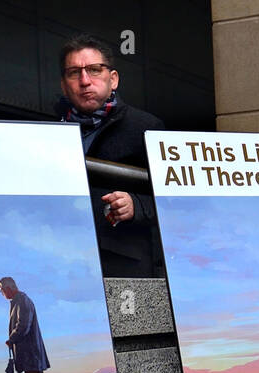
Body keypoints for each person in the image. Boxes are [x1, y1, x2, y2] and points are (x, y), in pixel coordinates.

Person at [55, 35, 164, 278]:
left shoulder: (146, 127)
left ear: (112, 79)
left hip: (125, 268)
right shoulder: (51, 133)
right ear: (63, 85)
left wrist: (136, 205)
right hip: (67, 262)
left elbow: (175, 203)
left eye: (95, 70)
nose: (85, 81)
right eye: (74, 73)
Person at [0, 277, 52, 373]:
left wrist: (11, 339)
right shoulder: (19, 301)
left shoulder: (22, 301)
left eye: (1, 290)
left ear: (8, 289)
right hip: (29, 351)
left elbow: (23, 325)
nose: (2, 293)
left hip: (31, 351)